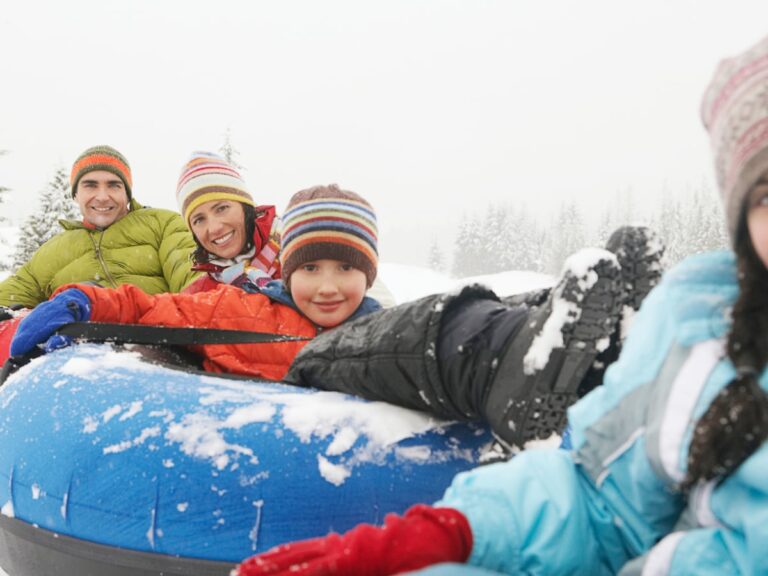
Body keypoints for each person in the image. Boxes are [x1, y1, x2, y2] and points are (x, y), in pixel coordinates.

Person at [234, 34, 768, 576]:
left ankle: (545, 338)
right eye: (767, 193)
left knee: (441, 329)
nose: (328, 285)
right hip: (326, 370)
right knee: (432, 334)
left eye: (346, 268)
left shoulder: (371, 310)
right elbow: (613, 511)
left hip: (393, 357)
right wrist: (451, 535)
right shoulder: (715, 330)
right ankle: (548, 336)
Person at [10, 184, 382, 380]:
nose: (328, 286)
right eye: (311, 268)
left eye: (346, 269)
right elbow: (155, 308)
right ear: (288, 270)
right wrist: (87, 303)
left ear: (368, 275)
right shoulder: (240, 311)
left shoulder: (388, 336)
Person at [0, 145, 201, 361]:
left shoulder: (162, 225)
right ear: (76, 194)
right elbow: (9, 297)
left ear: (127, 192)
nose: (102, 196)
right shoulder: (53, 251)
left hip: (151, 347)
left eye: (113, 185)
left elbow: (193, 281)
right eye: (90, 185)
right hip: (68, 358)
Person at [176, 151, 282, 294]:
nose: (214, 228)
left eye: (221, 208)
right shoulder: (198, 296)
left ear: (246, 208)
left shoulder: (301, 256)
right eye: (199, 220)